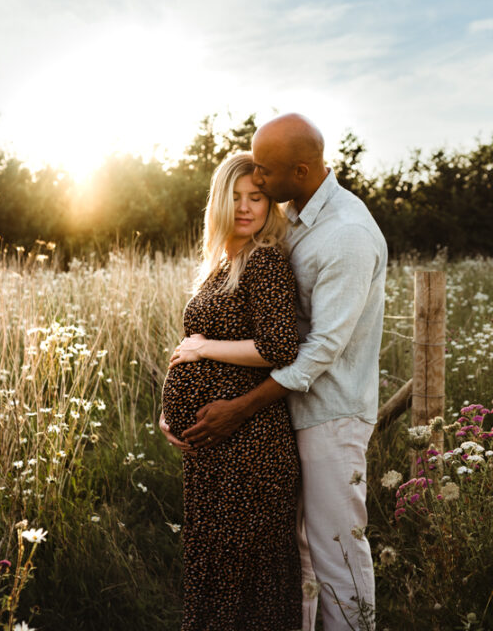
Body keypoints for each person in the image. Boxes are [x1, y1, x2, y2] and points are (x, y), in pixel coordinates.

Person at [169, 113, 388, 630]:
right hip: (284, 412)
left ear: (302, 168)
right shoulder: (295, 221)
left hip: (330, 412)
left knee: (337, 550)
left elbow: (315, 350)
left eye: (264, 173)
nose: (258, 181)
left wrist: (239, 408)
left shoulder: (347, 234)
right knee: (301, 558)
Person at [158, 151, 302, 630]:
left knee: (245, 576)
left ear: (270, 205)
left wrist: (205, 350)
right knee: (216, 567)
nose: (245, 208)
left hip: (251, 447)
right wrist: (169, 411)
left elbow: (279, 347)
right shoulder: (223, 264)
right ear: (218, 202)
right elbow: (191, 348)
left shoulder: (263, 261)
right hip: (214, 450)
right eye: (235, 197)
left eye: (256, 198)